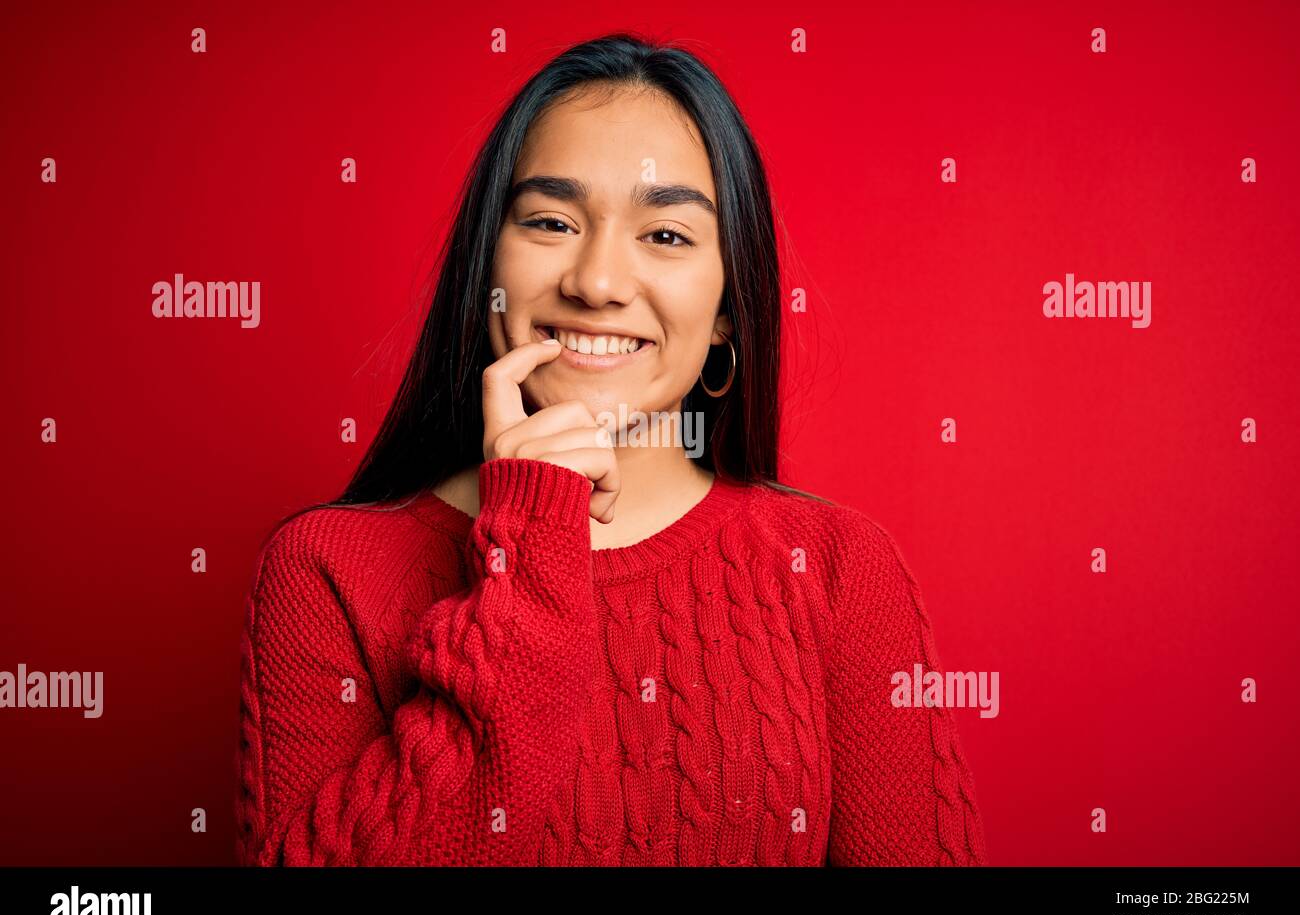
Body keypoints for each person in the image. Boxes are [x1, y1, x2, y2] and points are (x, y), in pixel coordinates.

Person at [234, 32, 988, 866]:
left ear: (730, 306)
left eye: (665, 236)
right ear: (487, 263)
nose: (595, 282)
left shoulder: (838, 567)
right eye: (552, 221)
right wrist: (531, 538)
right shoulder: (325, 570)